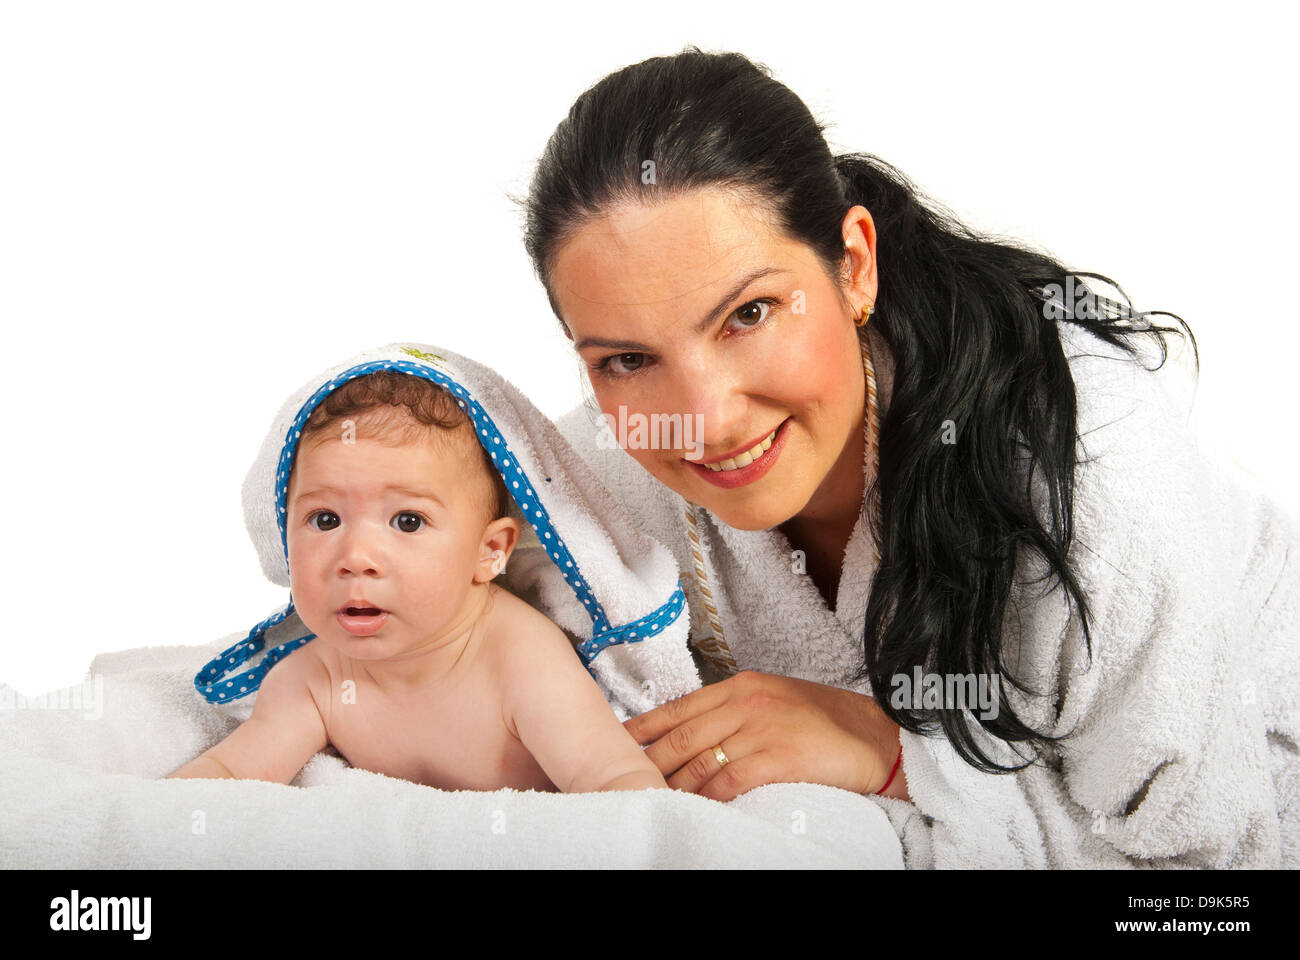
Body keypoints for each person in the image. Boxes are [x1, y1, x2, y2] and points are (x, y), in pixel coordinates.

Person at [520, 47, 1300, 866]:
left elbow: (1213, 889)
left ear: (854, 267)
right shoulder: (593, 490)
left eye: (749, 314)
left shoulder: (1085, 462)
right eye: (627, 360)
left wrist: (898, 757)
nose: (705, 420)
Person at [167, 367, 668, 793]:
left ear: (490, 551)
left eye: (407, 521)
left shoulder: (522, 662)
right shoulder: (316, 678)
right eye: (325, 519)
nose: (355, 558)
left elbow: (617, 782)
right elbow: (230, 775)